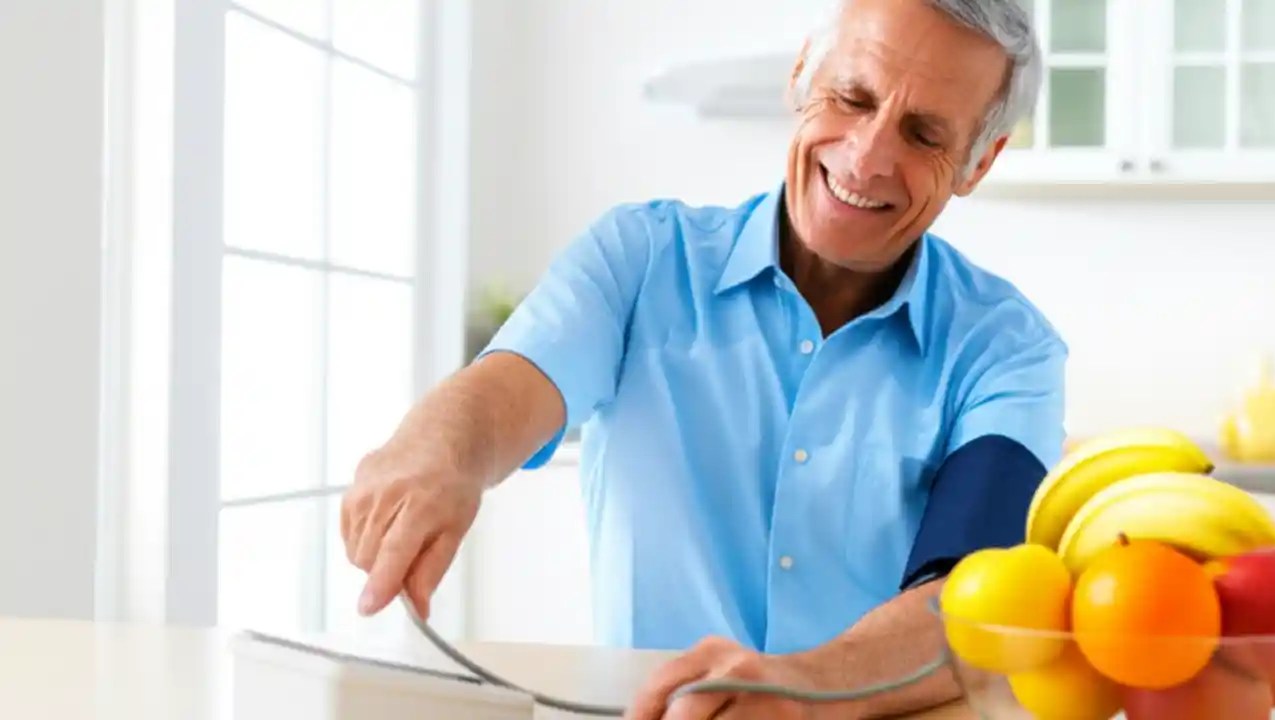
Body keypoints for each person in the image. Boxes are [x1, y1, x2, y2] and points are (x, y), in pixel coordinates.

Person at [340, 0, 1064, 716]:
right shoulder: (637, 261)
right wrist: (438, 450)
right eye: (852, 97)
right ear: (801, 77)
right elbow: (508, 388)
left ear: (979, 161)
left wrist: (802, 694)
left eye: (924, 133)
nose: (868, 156)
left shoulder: (1007, 350)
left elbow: (977, 605)